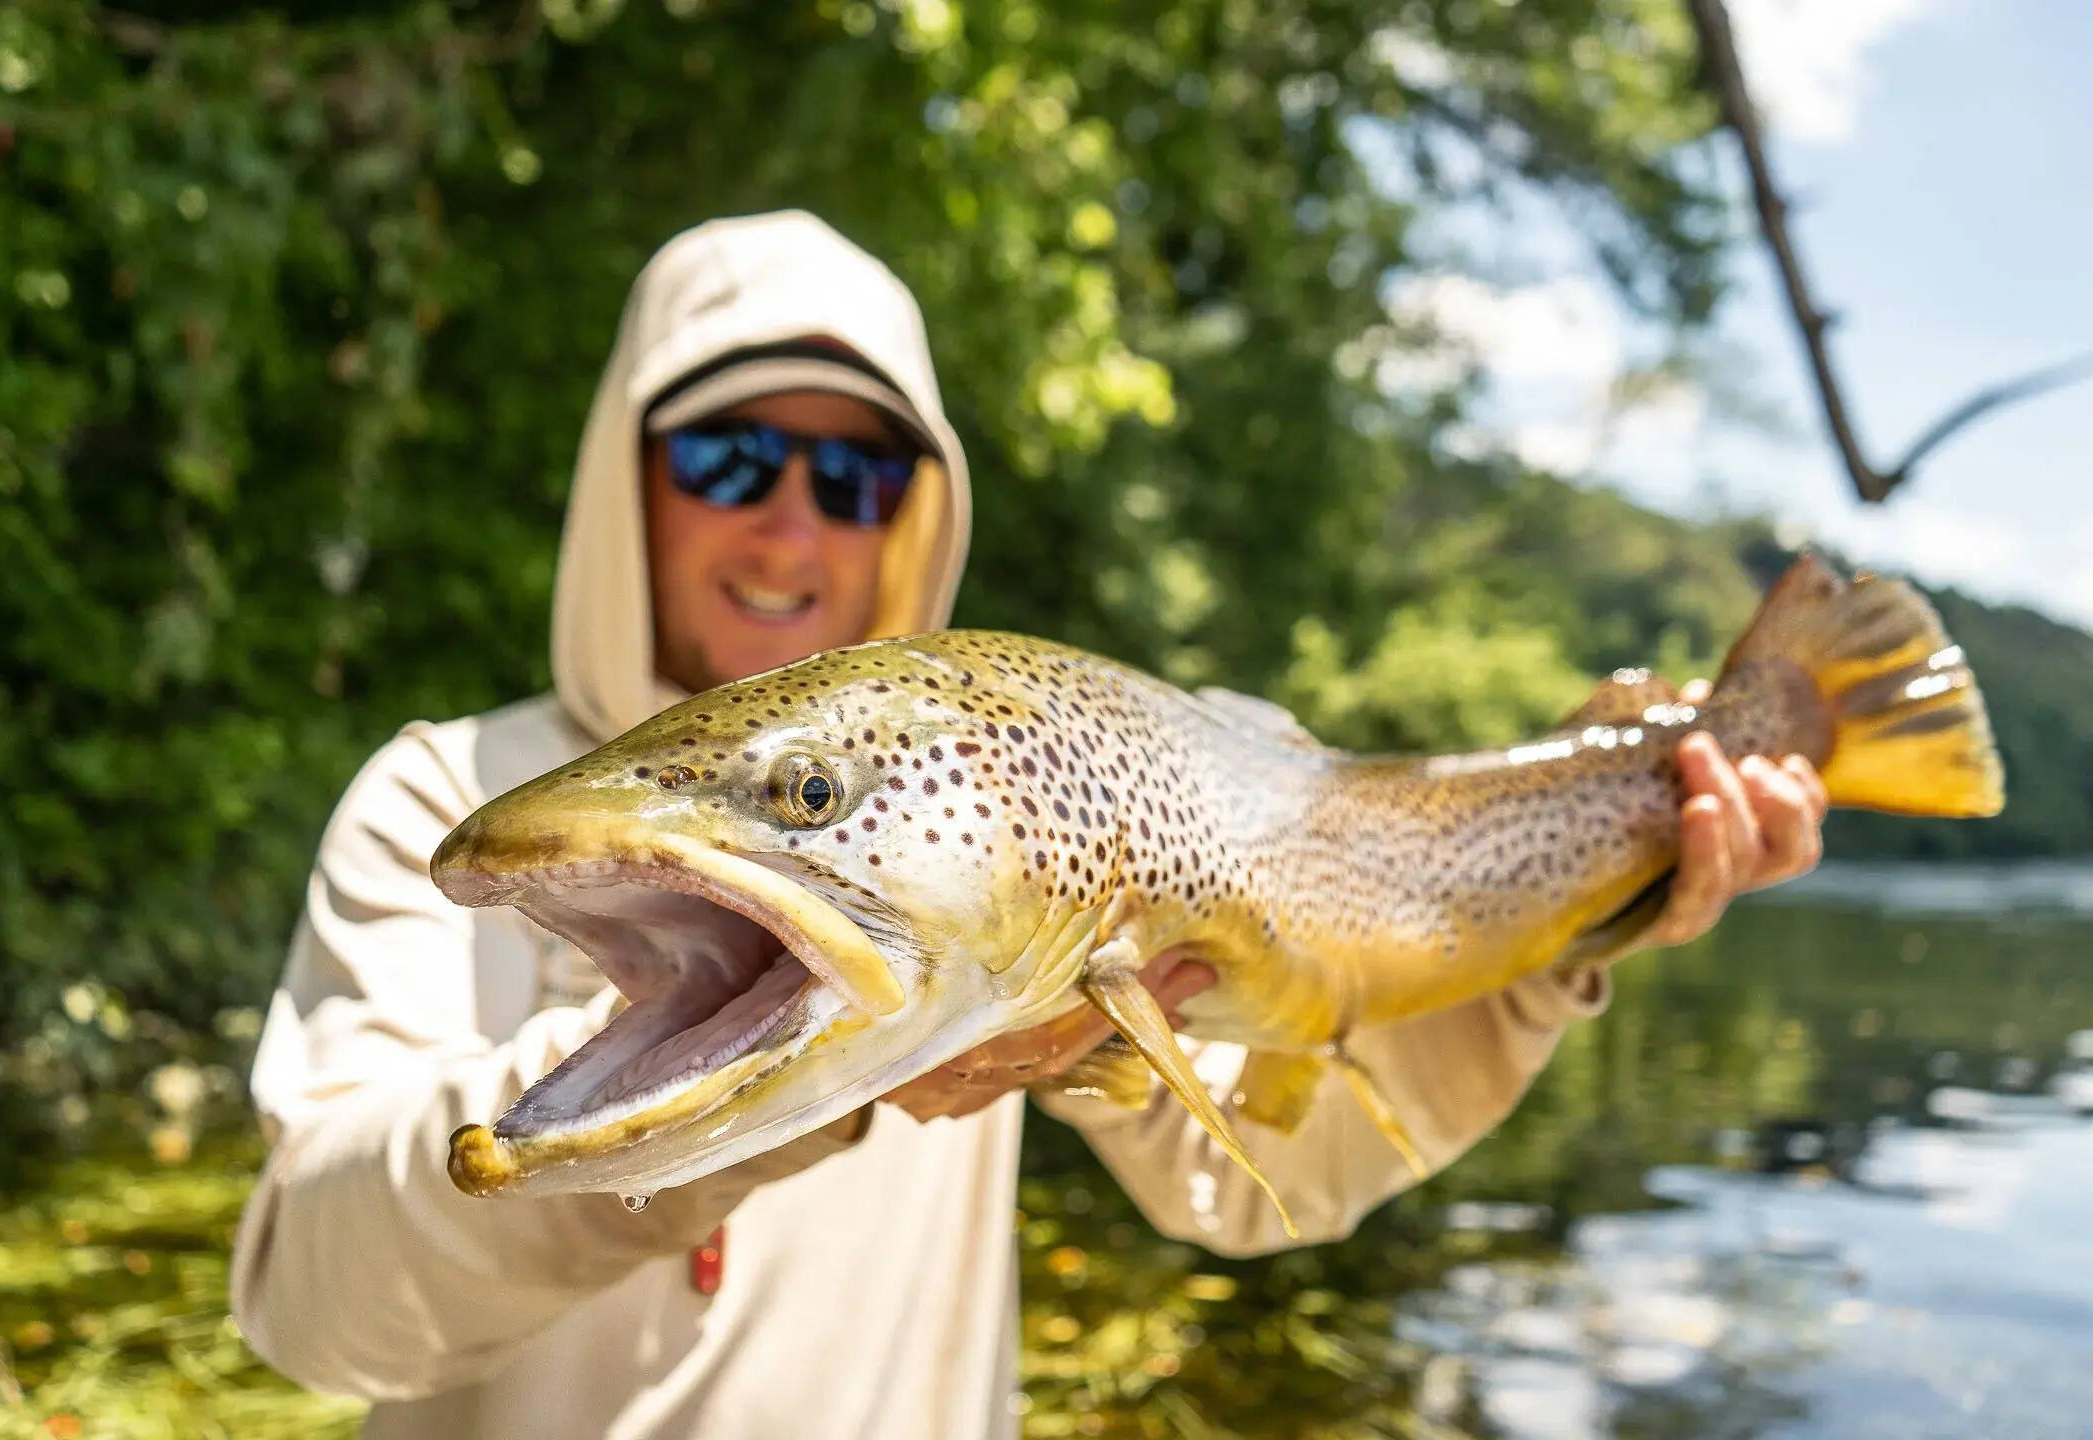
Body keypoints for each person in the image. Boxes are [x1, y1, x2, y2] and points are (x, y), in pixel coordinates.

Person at [229, 210, 1828, 1439]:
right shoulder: (446, 798)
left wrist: (1594, 911)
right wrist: (738, 1072)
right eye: (728, 455)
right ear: (624, 480)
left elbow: (1269, 1173)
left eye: (856, 478)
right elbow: (317, 1309)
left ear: (914, 514)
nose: (791, 524)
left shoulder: (1019, 821)